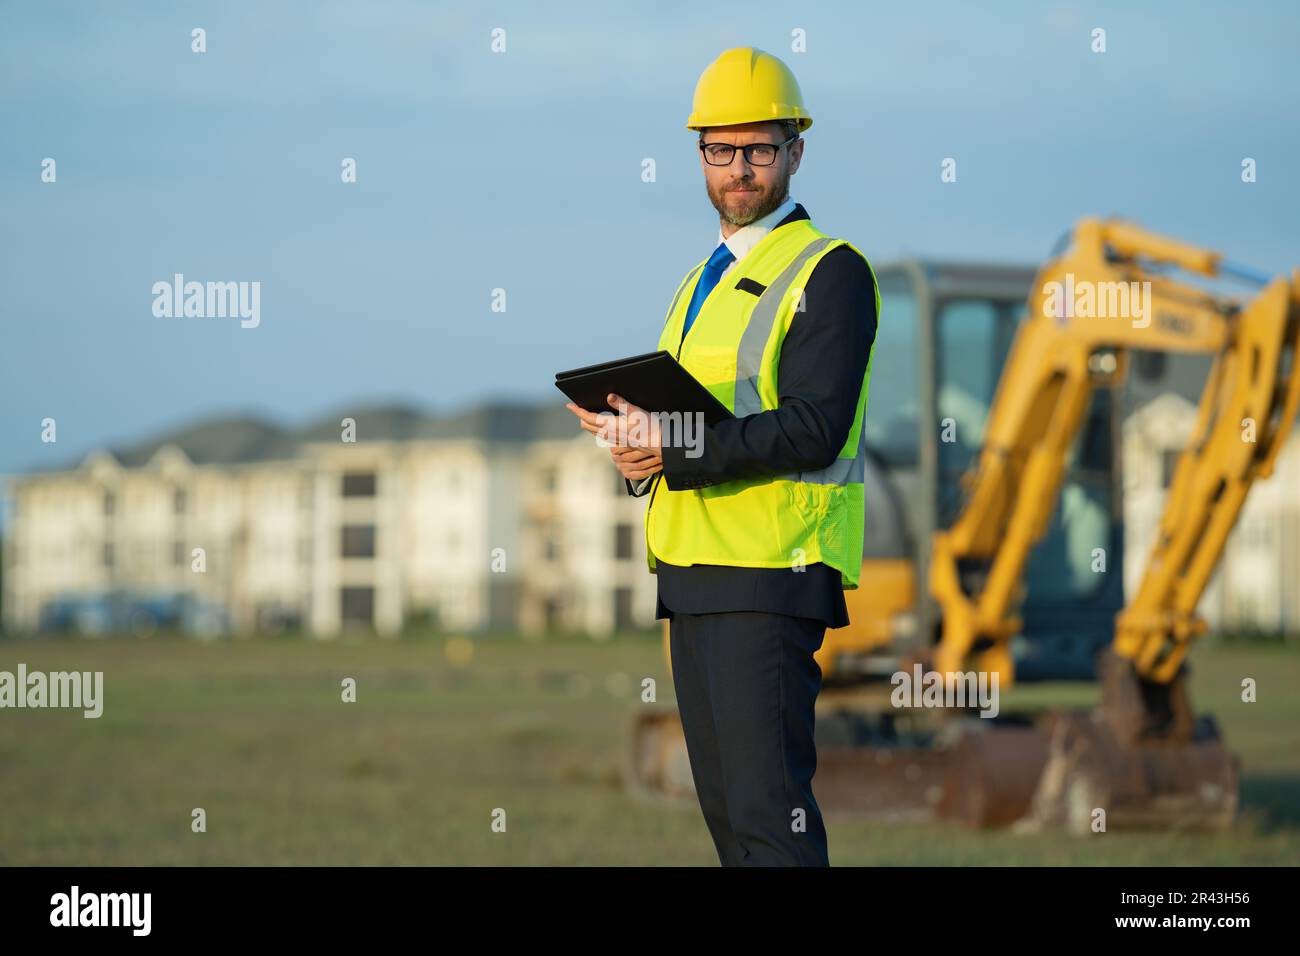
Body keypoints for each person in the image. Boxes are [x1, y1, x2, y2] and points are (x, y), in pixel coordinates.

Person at [566, 46, 878, 866]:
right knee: (731, 830)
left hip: (771, 575)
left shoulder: (830, 272)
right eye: (721, 150)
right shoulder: (696, 280)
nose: (740, 169)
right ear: (699, 154)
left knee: (770, 822)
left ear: (796, 151)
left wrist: (674, 446)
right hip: (694, 573)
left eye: (760, 149)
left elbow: (814, 426)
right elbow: (692, 422)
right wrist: (638, 453)